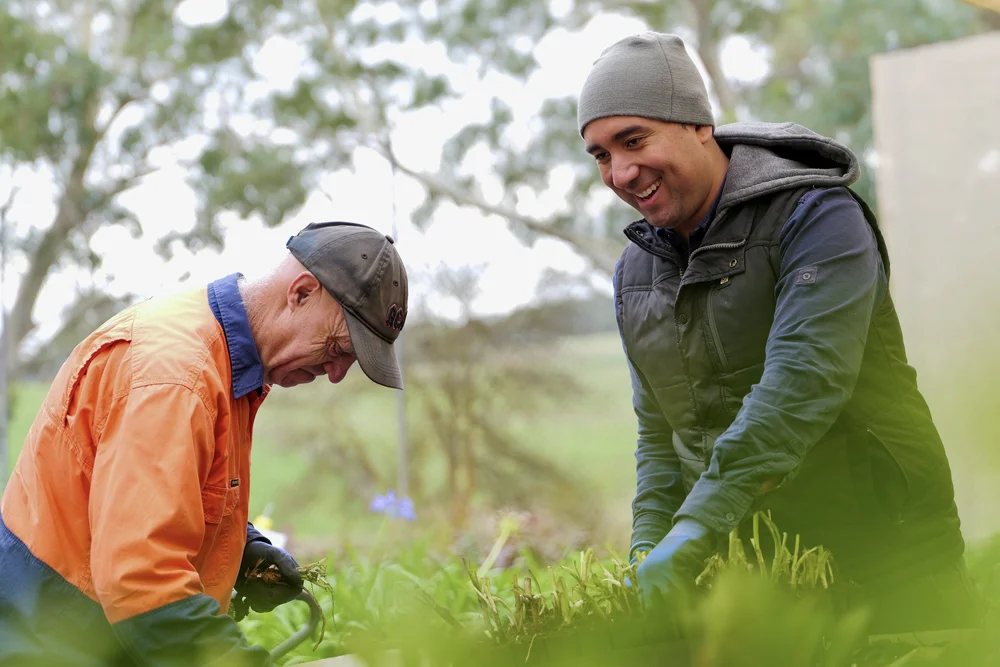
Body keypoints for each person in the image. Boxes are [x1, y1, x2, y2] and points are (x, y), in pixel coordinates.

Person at [577, 32, 982, 634]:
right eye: (602, 154)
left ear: (697, 125)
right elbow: (661, 433)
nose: (620, 172)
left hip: (889, 564)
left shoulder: (817, 217)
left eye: (633, 140)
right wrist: (649, 543)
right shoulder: (637, 273)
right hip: (760, 579)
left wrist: (695, 526)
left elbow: (804, 382)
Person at [0, 221, 408, 665]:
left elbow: (158, 496)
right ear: (301, 293)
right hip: (50, 637)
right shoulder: (177, 376)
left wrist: (243, 547)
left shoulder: (226, 362)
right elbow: (143, 583)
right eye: (338, 348)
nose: (335, 374)